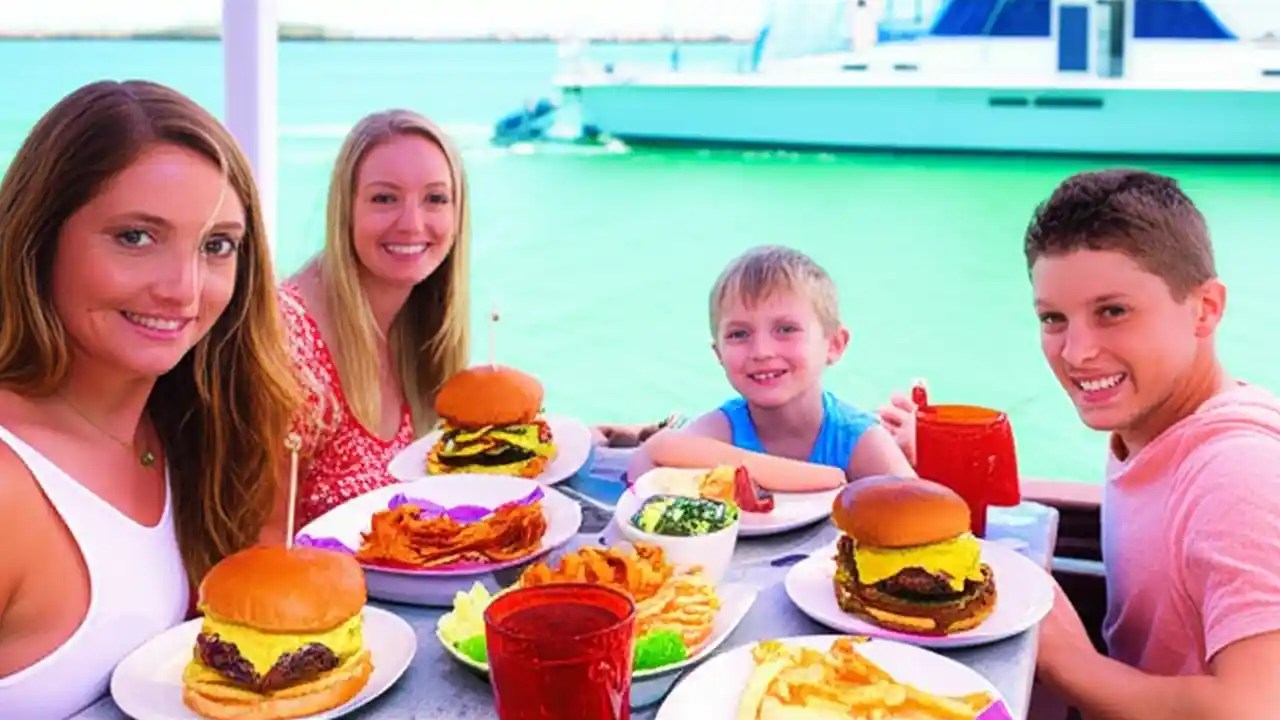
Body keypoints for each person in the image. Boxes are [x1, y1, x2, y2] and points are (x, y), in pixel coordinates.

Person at [880, 169, 1280, 719]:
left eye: (1112, 311)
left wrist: (1066, 660)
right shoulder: (1151, 429)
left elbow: (1254, 709)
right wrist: (944, 457)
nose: (1076, 352)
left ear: (1205, 308)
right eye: (1054, 319)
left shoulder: (1238, 472)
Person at [0, 80, 299, 718]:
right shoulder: (9, 486)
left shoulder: (194, 426)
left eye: (216, 246)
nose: (184, 291)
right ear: (38, 242)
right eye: (136, 237)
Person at [266, 109, 470, 535]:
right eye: (384, 198)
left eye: (435, 198)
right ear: (346, 209)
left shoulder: (415, 328)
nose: (412, 224)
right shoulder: (289, 345)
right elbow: (261, 545)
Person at [629, 245, 914, 490]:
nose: (762, 352)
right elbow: (649, 460)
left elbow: (929, 518)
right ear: (719, 353)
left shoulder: (857, 440)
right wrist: (823, 479)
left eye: (786, 329)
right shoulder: (724, 428)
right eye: (739, 334)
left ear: (834, 344)